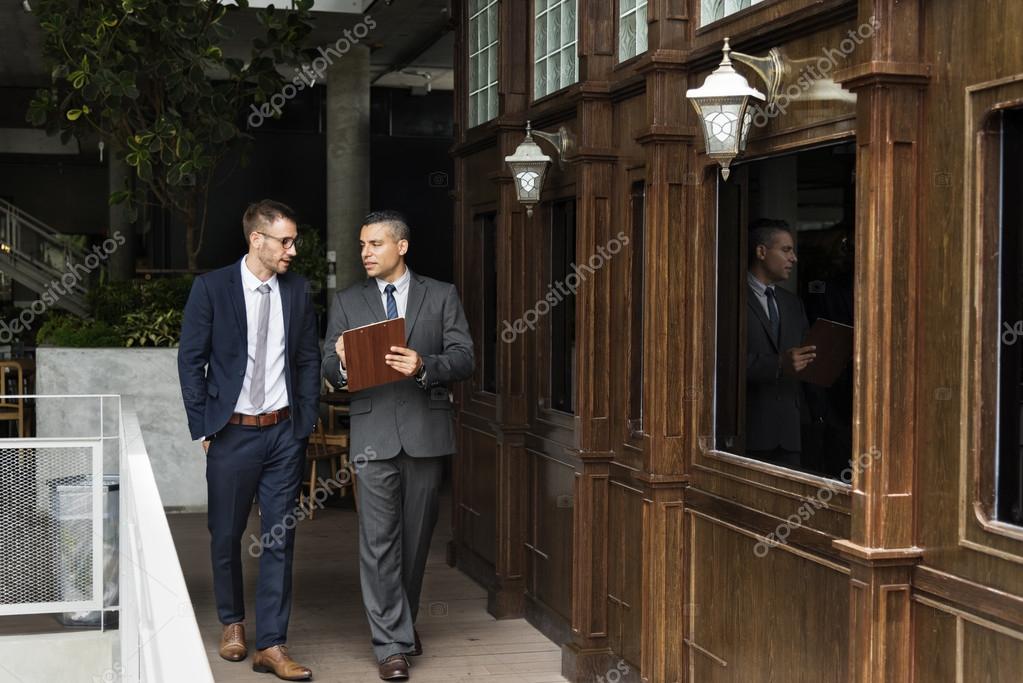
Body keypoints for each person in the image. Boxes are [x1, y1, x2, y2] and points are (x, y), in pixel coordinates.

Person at [322, 210, 473, 681]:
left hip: (426, 435)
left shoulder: (441, 294)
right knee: (377, 544)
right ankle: (390, 644)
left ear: (401, 247)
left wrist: (425, 365)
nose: (365, 253)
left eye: (375, 244)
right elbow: (328, 365)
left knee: (415, 541)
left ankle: (400, 626)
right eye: (362, 245)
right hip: (372, 438)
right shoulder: (347, 302)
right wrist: (341, 365)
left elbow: (465, 358)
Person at [178, 199, 320, 681]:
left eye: (294, 240)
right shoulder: (212, 288)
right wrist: (204, 426)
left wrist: (304, 425)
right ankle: (232, 623)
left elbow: (307, 360)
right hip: (231, 432)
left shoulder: (298, 291)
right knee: (225, 534)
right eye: (285, 240)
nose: (293, 250)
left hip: (283, 433)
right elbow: (190, 361)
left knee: (281, 537)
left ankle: (274, 644)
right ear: (256, 239)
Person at [745, 218, 815, 468]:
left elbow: (806, 357)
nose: (793, 258)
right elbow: (720, 360)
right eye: (786, 250)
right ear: (761, 252)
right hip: (747, 434)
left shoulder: (792, 303)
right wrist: (778, 363)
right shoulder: (730, 296)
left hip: (790, 436)